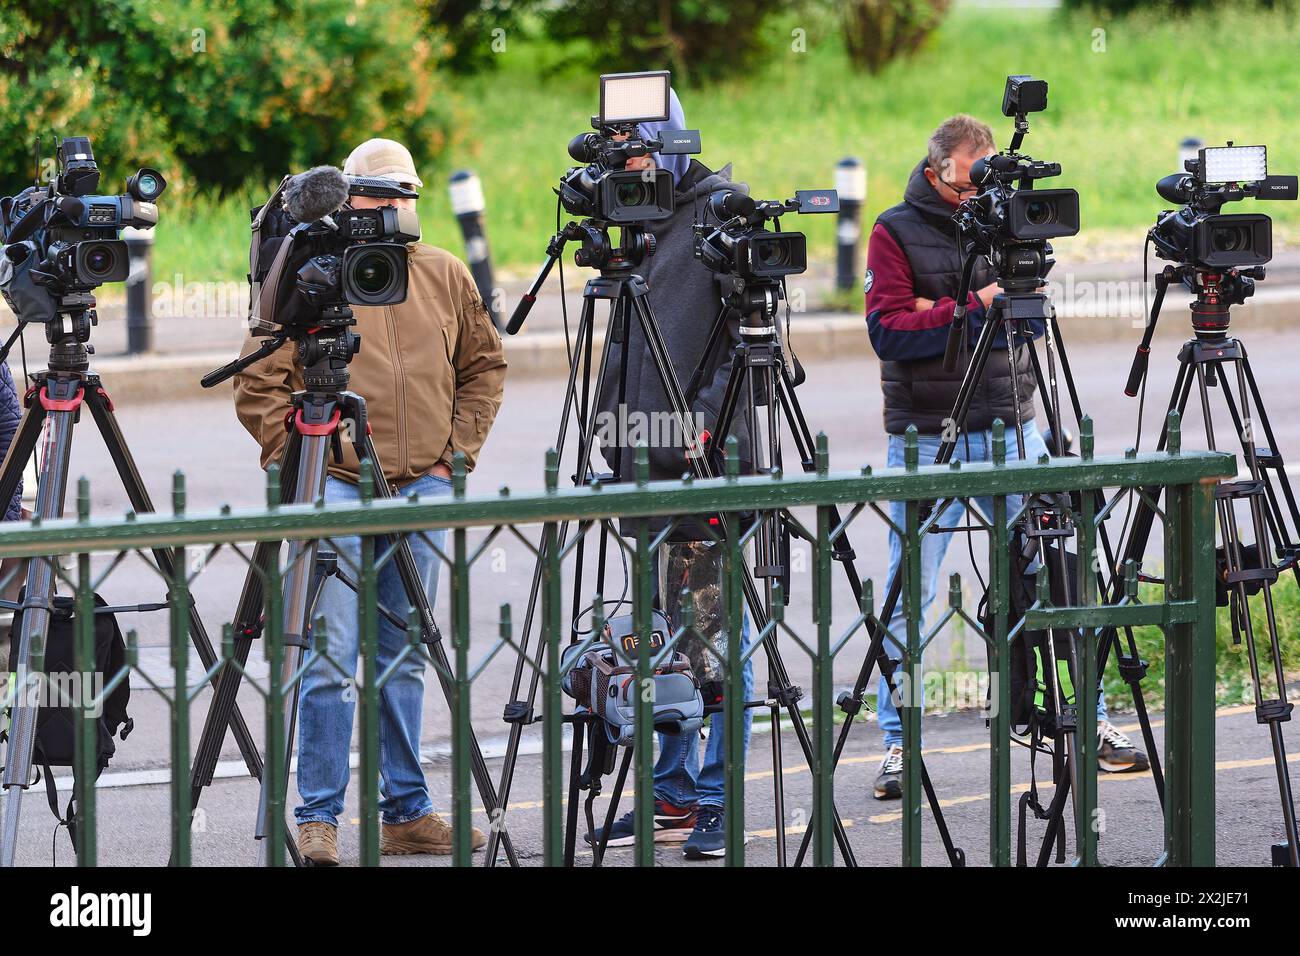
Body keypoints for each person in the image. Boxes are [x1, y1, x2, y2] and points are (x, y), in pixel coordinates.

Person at [234, 138, 507, 864]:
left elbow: (484, 366)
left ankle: (407, 812)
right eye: (376, 194)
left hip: (421, 485)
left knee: (405, 654)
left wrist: (456, 457)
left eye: (403, 194)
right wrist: (299, 467)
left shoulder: (445, 274)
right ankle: (318, 818)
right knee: (327, 658)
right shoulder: (313, 275)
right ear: (347, 199)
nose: (391, 207)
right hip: (336, 483)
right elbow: (258, 383)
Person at [863, 115, 1148, 800]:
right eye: (973, 170)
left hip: (1016, 424)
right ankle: (900, 747)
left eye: (991, 167)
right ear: (939, 169)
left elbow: (1027, 313)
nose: (984, 182)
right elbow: (887, 331)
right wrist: (968, 309)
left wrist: (964, 304)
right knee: (912, 594)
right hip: (930, 433)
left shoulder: (1005, 224)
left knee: (1053, 572)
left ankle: (1092, 720)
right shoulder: (894, 229)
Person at [588, 90, 754, 859]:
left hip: (699, 464)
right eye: (619, 154)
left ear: (672, 142)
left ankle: (718, 796)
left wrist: (703, 426)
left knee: (712, 638)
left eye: (640, 151)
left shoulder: (724, 208)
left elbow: (750, 342)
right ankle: (675, 790)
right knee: (662, 642)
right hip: (637, 459)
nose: (631, 167)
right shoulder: (638, 220)